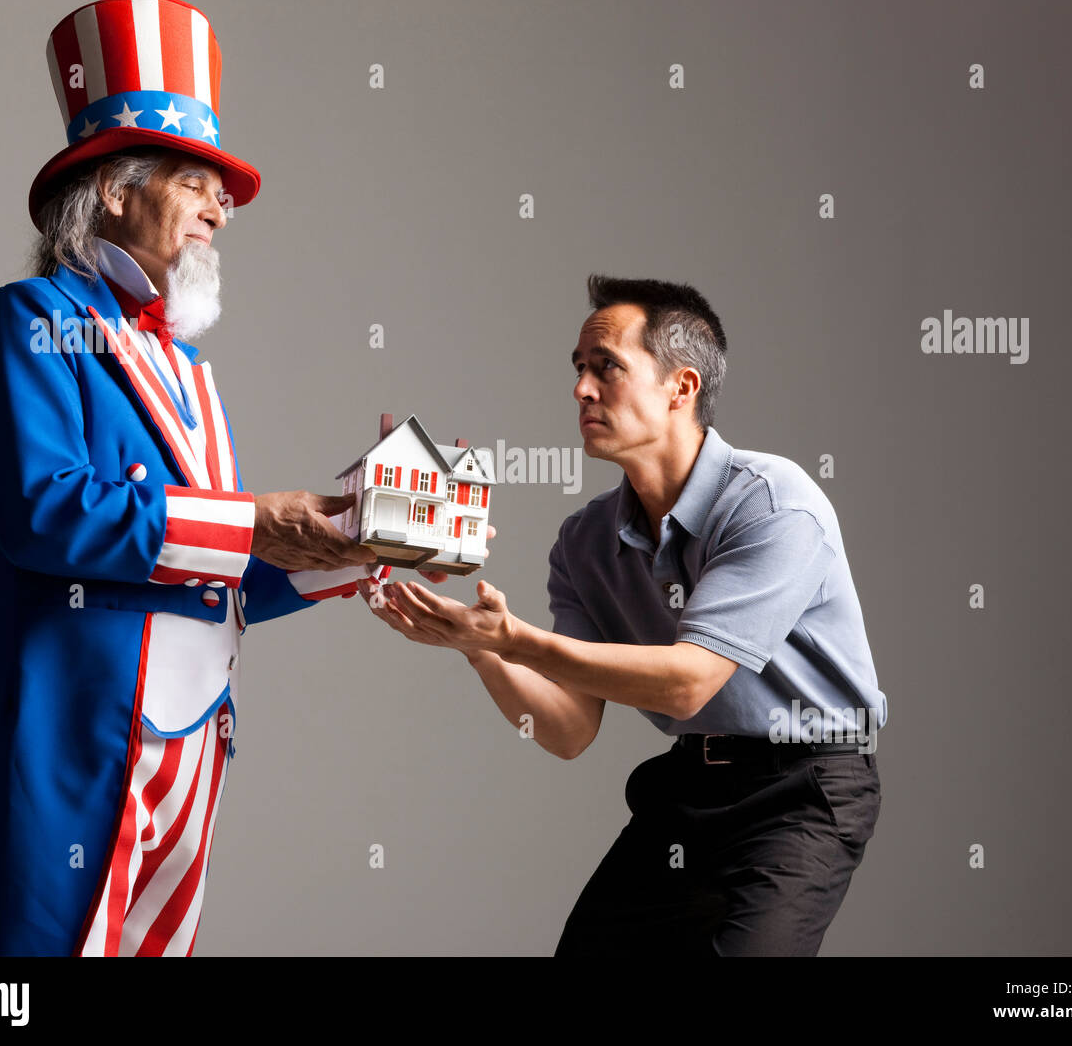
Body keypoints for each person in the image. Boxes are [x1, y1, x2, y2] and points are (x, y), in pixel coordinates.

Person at [0, 0, 389, 957]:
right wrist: (250, 521)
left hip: (194, 746)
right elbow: (45, 514)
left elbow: (207, 571)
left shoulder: (191, 370)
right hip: (71, 739)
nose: (219, 212)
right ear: (115, 190)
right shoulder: (28, 318)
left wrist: (354, 546)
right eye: (199, 183)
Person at [358, 274, 888, 956]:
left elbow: (687, 682)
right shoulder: (584, 541)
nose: (581, 389)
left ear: (681, 387)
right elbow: (570, 729)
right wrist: (478, 645)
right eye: (579, 369)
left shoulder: (773, 502)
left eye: (606, 367)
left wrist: (517, 638)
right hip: (690, 783)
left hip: (805, 788)